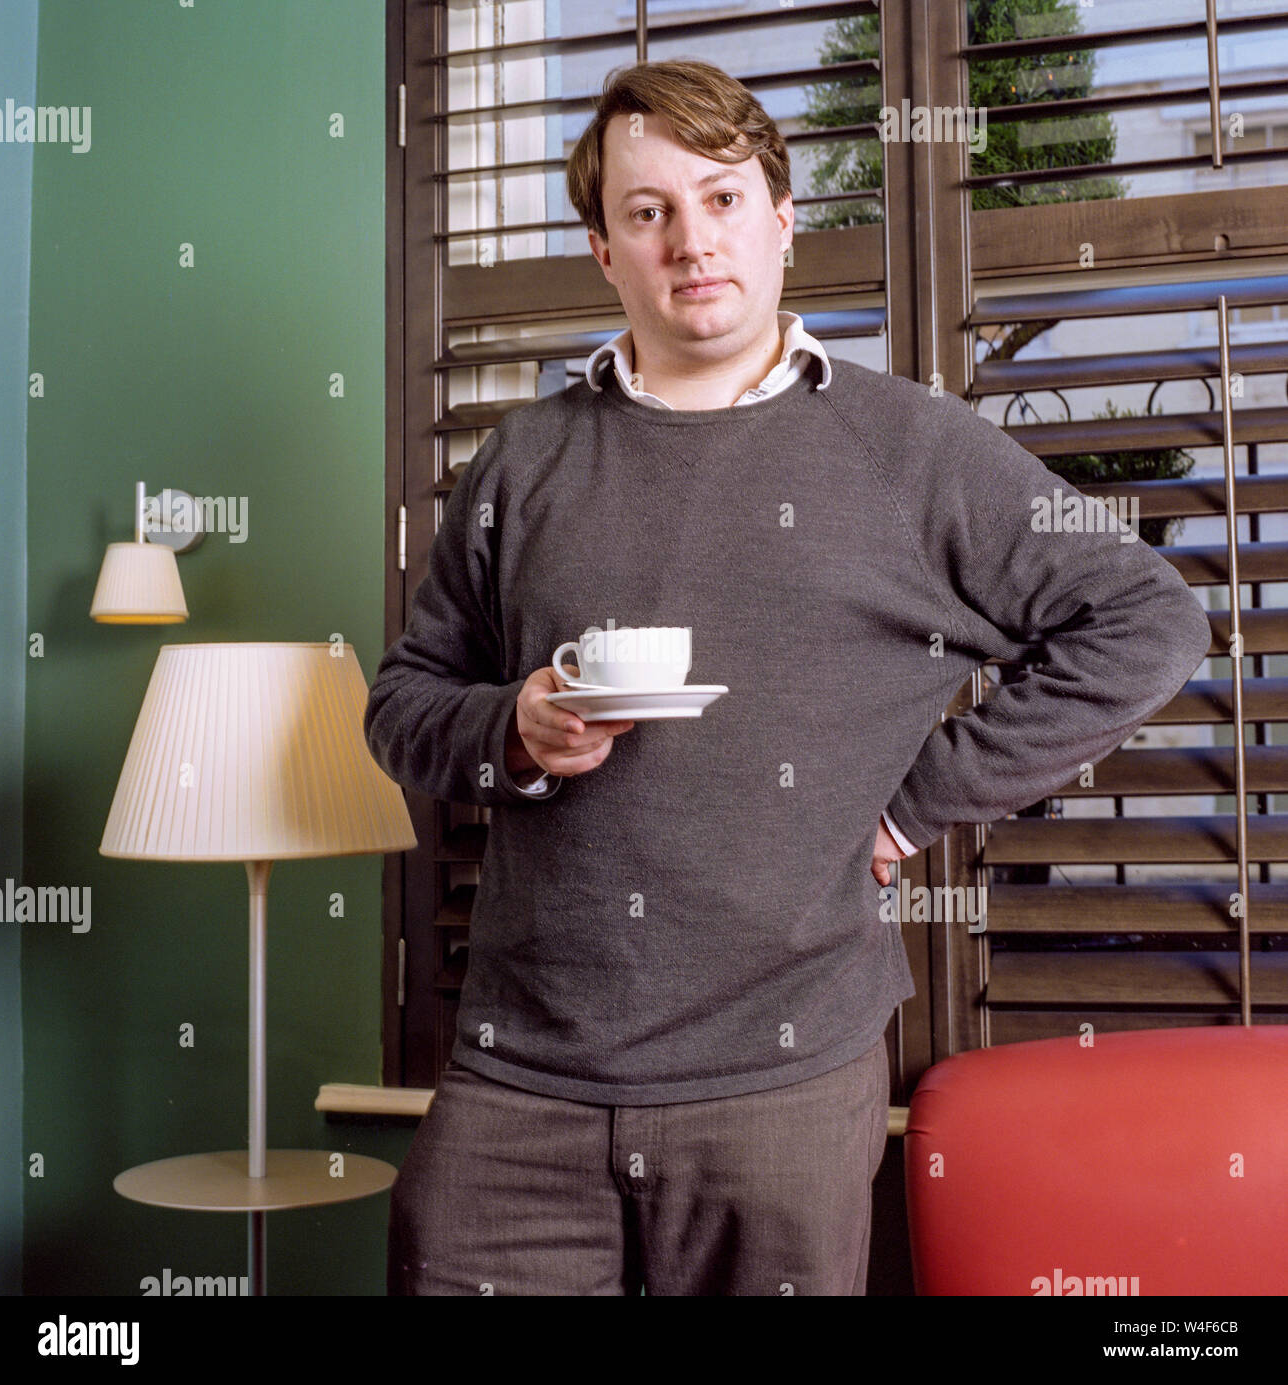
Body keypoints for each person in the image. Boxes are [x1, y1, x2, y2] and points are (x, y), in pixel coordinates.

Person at [363, 59, 1212, 1295]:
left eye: (721, 199)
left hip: (782, 1084)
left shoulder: (914, 449)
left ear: (782, 219)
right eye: (648, 211)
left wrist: (914, 804)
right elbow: (402, 701)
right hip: (516, 1087)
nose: (691, 240)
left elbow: (1147, 617)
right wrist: (511, 726)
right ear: (604, 249)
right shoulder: (522, 458)